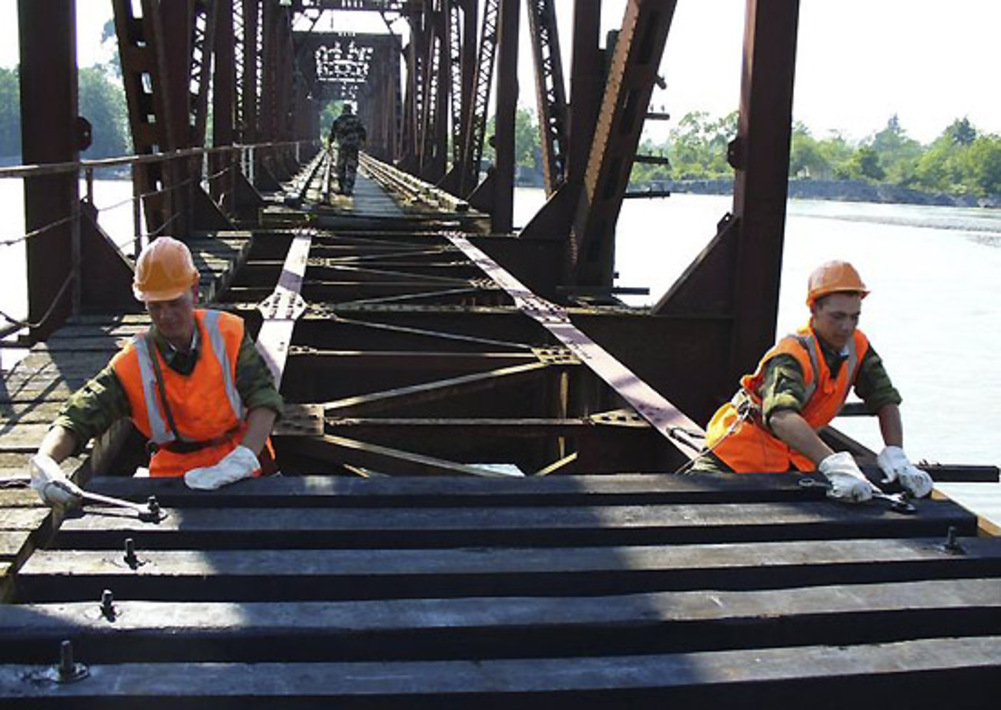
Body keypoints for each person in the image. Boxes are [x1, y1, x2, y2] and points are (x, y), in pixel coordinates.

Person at [29, 237, 284, 506]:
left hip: (241, 473)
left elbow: (263, 397)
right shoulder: (133, 363)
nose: (165, 315)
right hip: (173, 482)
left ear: (194, 292)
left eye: (174, 303)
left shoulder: (228, 334)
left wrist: (243, 459)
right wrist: (46, 461)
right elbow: (79, 415)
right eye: (155, 306)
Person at [693, 260, 933, 502]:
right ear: (814, 310)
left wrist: (896, 452)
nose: (846, 326)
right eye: (837, 317)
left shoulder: (858, 346)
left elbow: (884, 398)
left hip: (794, 462)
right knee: (696, 510)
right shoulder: (791, 355)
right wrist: (834, 464)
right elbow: (780, 416)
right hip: (736, 457)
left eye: (854, 317)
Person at [328, 103, 367, 196]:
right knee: (352, 167)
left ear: (343, 110)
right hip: (354, 147)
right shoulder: (357, 120)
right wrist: (363, 142)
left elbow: (333, 133)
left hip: (343, 147)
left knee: (340, 167)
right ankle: (349, 188)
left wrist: (329, 143)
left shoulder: (338, 120)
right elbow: (362, 132)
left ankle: (341, 187)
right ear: (350, 110)